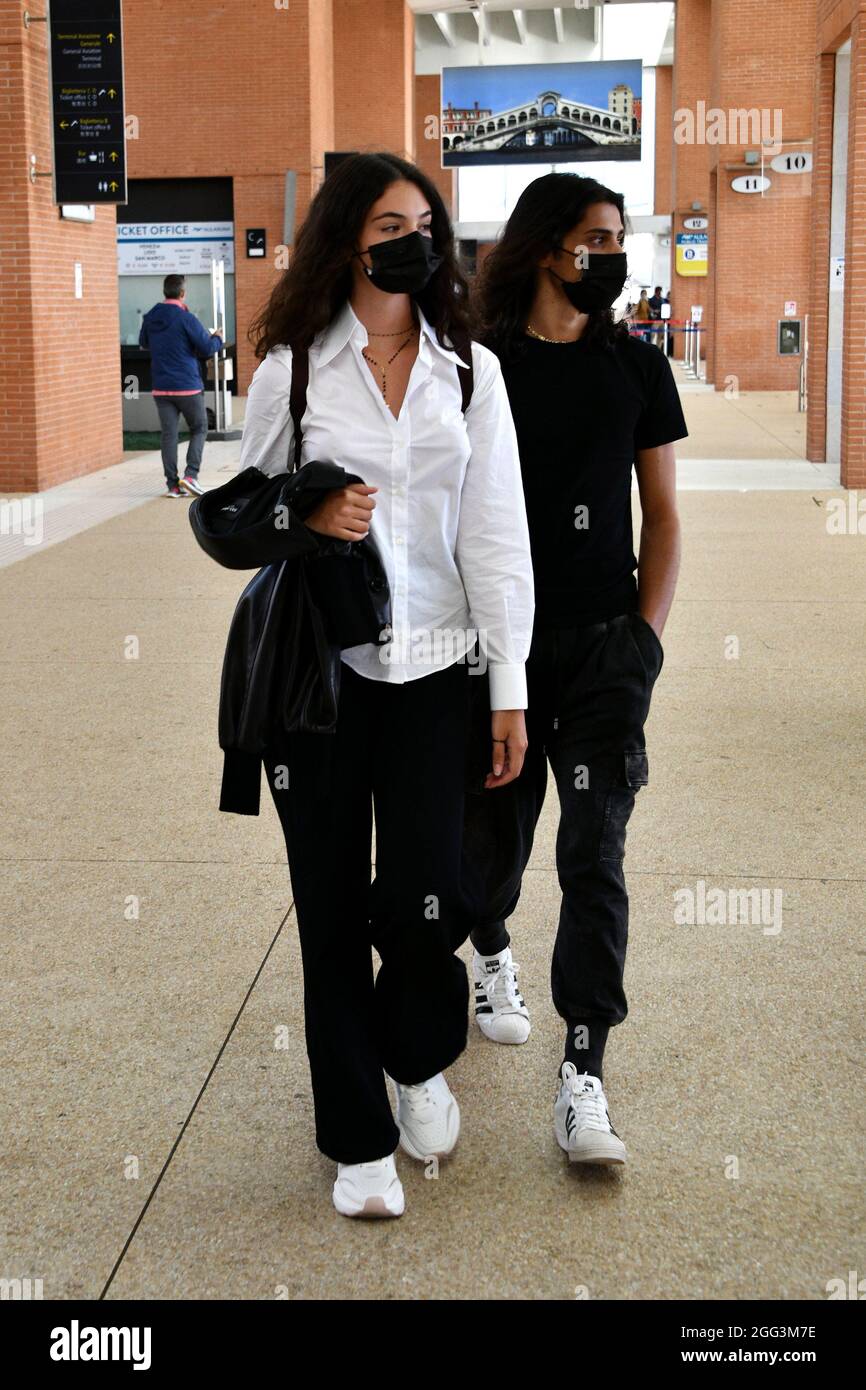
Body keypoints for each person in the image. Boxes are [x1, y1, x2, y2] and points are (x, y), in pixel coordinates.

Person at [238, 153, 534, 1217]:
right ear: (344, 240)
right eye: (385, 223)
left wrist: (508, 683)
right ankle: (355, 1135)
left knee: (424, 898)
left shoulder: (469, 370)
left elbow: (495, 530)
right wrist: (306, 514)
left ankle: (416, 1064)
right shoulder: (296, 371)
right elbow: (244, 505)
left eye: (423, 222)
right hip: (321, 676)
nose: (409, 240)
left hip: (434, 673)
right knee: (326, 907)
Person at [461, 172, 686, 1166]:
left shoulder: (636, 367)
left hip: (601, 650)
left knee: (592, 854)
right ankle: (488, 948)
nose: (611, 254)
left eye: (616, 237)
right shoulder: (476, 365)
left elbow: (665, 513)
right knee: (488, 856)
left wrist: (642, 638)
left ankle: (583, 1069)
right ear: (549, 246)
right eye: (595, 237)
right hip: (497, 653)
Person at [139, 273, 224, 497]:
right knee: (199, 428)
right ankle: (190, 475)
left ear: (164, 292)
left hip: (161, 386)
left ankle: (172, 485)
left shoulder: (150, 317)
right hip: (187, 385)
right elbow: (206, 348)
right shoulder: (187, 318)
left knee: (169, 435)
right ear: (182, 293)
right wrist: (218, 338)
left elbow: (144, 343)